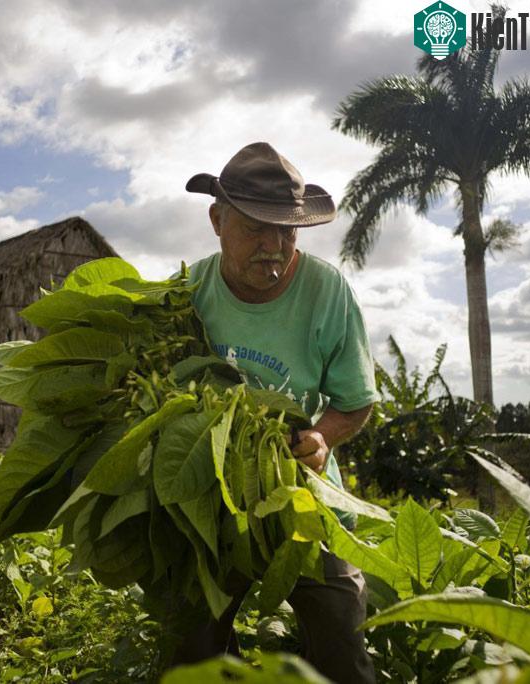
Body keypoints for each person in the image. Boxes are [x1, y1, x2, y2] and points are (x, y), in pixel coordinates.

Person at [170, 142, 379, 683]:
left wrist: (323, 438)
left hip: (303, 490)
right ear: (217, 220)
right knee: (193, 643)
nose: (274, 246)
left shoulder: (326, 290)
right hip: (213, 498)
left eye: (287, 231)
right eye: (256, 228)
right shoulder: (188, 293)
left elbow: (355, 400)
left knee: (341, 639)